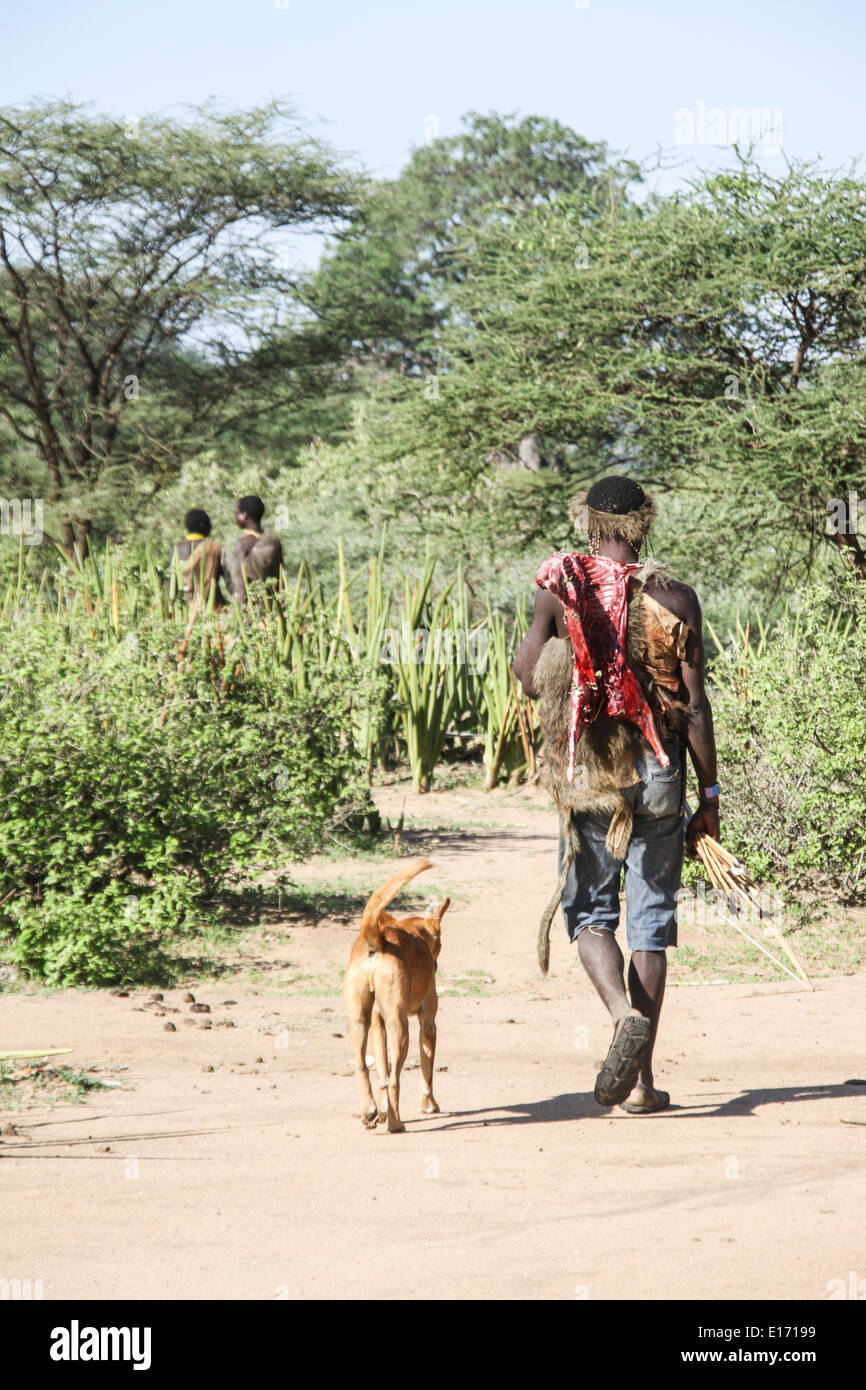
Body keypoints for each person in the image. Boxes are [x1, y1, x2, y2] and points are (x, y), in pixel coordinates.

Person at [513, 475, 720, 1115]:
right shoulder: (677, 597)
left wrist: (555, 664)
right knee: (650, 924)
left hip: (592, 773)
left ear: (588, 522)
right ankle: (641, 1084)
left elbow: (525, 674)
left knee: (590, 916)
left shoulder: (562, 593)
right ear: (644, 523)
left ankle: (619, 1012)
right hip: (661, 770)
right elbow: (695, 704)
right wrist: (708, 793)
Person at [227, 495, 283, 606]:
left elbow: (242, 580)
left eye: (236, 512)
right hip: (274, 602)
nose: (235, 516)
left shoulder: (243, 544)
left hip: (255, 606)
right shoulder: (272, 540)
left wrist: (242, 610)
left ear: (244, 514)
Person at [168, 508, 225, 611]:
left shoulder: (176, 549)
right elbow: (226, 576)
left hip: (185, 610)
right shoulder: (213, 548)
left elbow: (172, 581)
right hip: (212, 608)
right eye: (209, 524)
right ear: (203, 526)